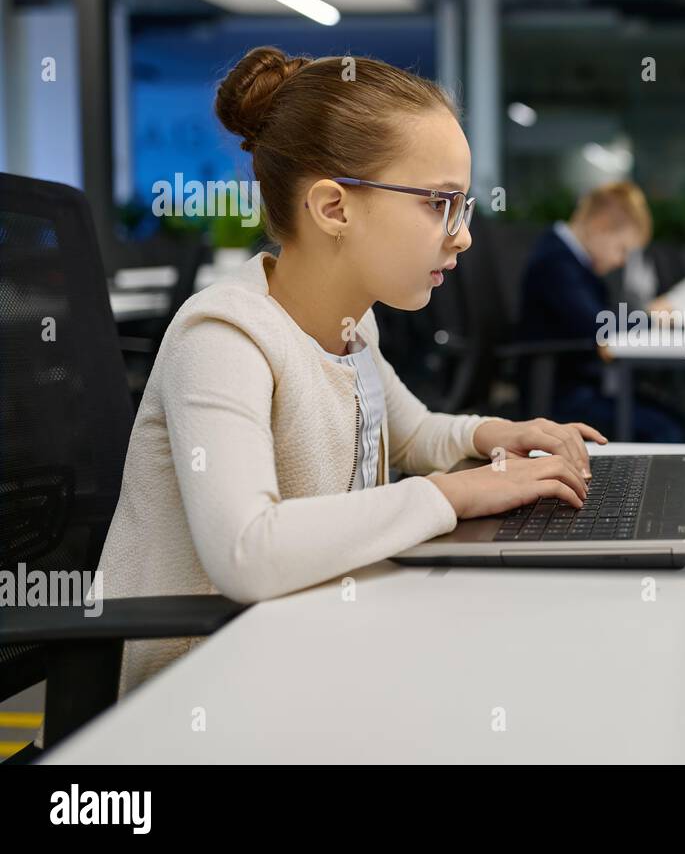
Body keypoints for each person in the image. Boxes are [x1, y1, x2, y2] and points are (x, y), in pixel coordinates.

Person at [97, 46, 607, 698]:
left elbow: (410, 433)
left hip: (313, 644)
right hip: (200, 689)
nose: (463, 236)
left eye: (464, 206)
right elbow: (248, 553)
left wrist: (492, 437)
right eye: (437, 204)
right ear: (334, 208)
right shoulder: (224, 337)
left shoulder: (353, 325)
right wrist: (455, 496)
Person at [517, 181, 685, 443]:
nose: (621, 261)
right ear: (600, 226)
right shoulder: (555, 262)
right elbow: (599, 327)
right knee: (667, 428)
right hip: (562, 398)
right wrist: (651, 318)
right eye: (622, 250)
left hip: (579, 387)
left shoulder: (566, 258)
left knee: (674, 417)